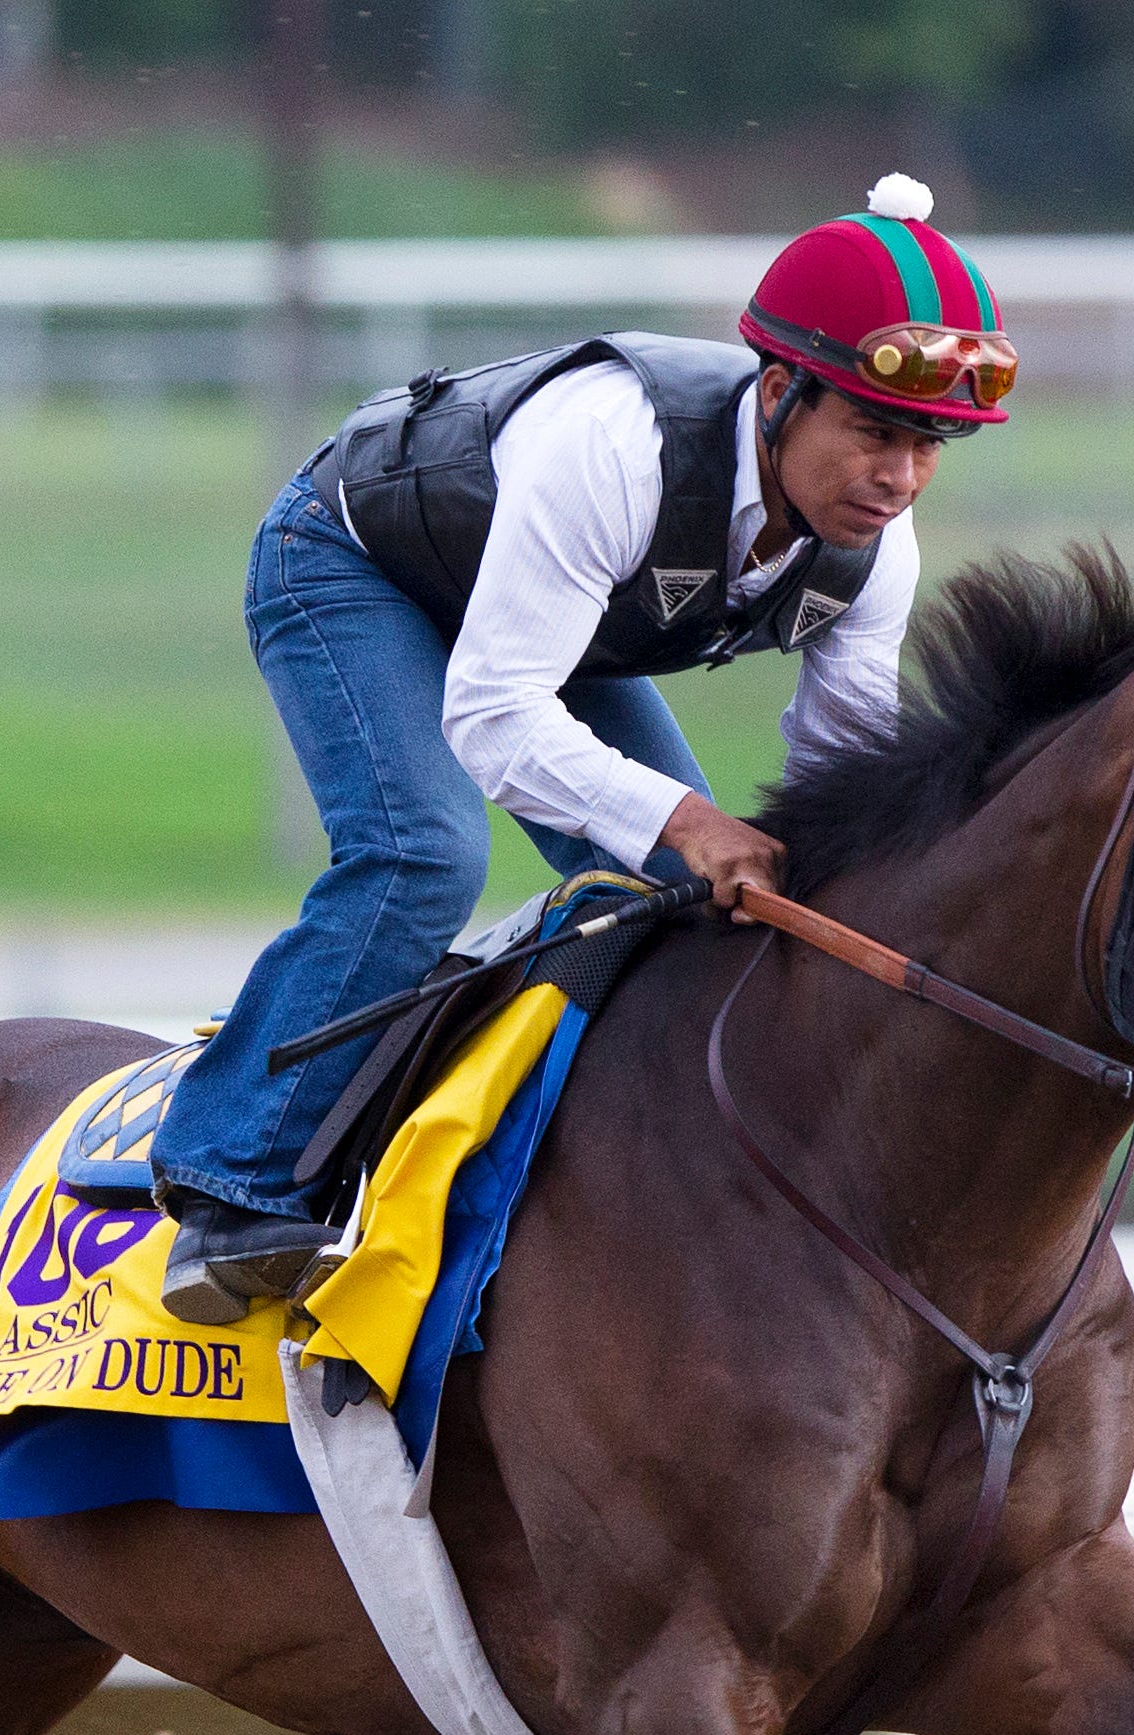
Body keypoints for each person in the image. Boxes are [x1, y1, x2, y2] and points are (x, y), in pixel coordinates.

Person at [150, 173, 1018, 1325]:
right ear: (777, 393)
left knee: (701, 902)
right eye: (871, 431)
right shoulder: (611, 449)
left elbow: (844, 779)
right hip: (353, 565)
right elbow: (494, 716)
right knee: (424, 854)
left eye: (928, 443)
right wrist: (691, 819)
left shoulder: (875, 552)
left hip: (545, 628)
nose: (898, 479)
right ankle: (229, 1183)